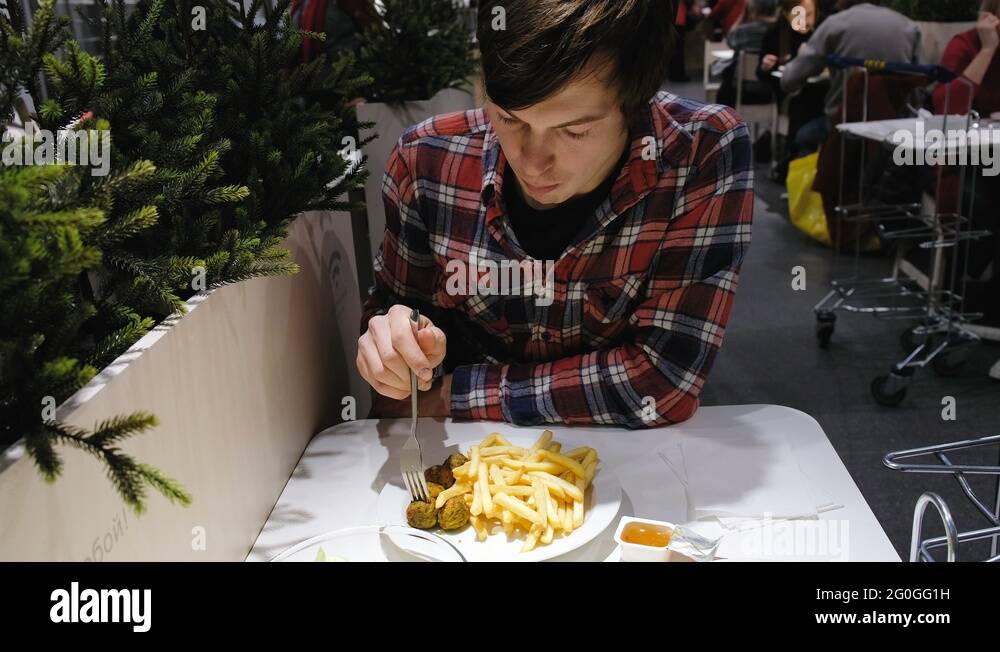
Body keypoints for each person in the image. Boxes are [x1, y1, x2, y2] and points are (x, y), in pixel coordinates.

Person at [356, 0, 754, 428]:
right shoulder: (427, 158)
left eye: (575, 130)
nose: (532, 162)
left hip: (633, 458)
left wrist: (455, 392)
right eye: (510, 120)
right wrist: (396, 344)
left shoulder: (699, 151)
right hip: (467, 459)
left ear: (635, 101)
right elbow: (402, 312)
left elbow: (662, 381)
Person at [933, 0, 1000, 339]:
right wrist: (988, 50)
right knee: (983, 204)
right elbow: (947, 107)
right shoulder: (967, 44)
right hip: (966, 159)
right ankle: (969, 299)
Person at [780, 0, 920, 154]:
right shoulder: (908, 26)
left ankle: (821, 176)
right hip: (893, 124)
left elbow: (790, 78)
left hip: (845, 121)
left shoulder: (835, 24)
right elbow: (921, 78)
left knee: (803, 138)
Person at [757, 0, 827, 172]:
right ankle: (797, 161)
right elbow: (762, 74)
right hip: (789, 93)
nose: (805, 21)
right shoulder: (776, 34)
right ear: (786, 15)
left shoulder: (822, 33)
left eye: (810, 14)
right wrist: (765, 66)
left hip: (822, 91)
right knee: (802, 102)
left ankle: (797, 160)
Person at [715, 0, 777, 108]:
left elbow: (729, 40)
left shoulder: (744, 31)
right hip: (771, 90)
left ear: (753, 10)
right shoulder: (780, 30)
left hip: (742, 90)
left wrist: (742, 17)